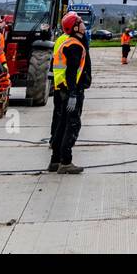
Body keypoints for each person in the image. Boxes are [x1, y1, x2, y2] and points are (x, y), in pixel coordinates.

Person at [49, 11, 92, 174]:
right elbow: (71, 72)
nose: (83, 24)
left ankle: (55, 160)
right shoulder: (75, 45)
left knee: (61, 124)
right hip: (70, 90)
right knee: (72, 124)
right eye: (81, 22)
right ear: (75, 27)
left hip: (62, 89)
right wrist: (74, 93)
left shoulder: (68, 42)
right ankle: (66, 161)